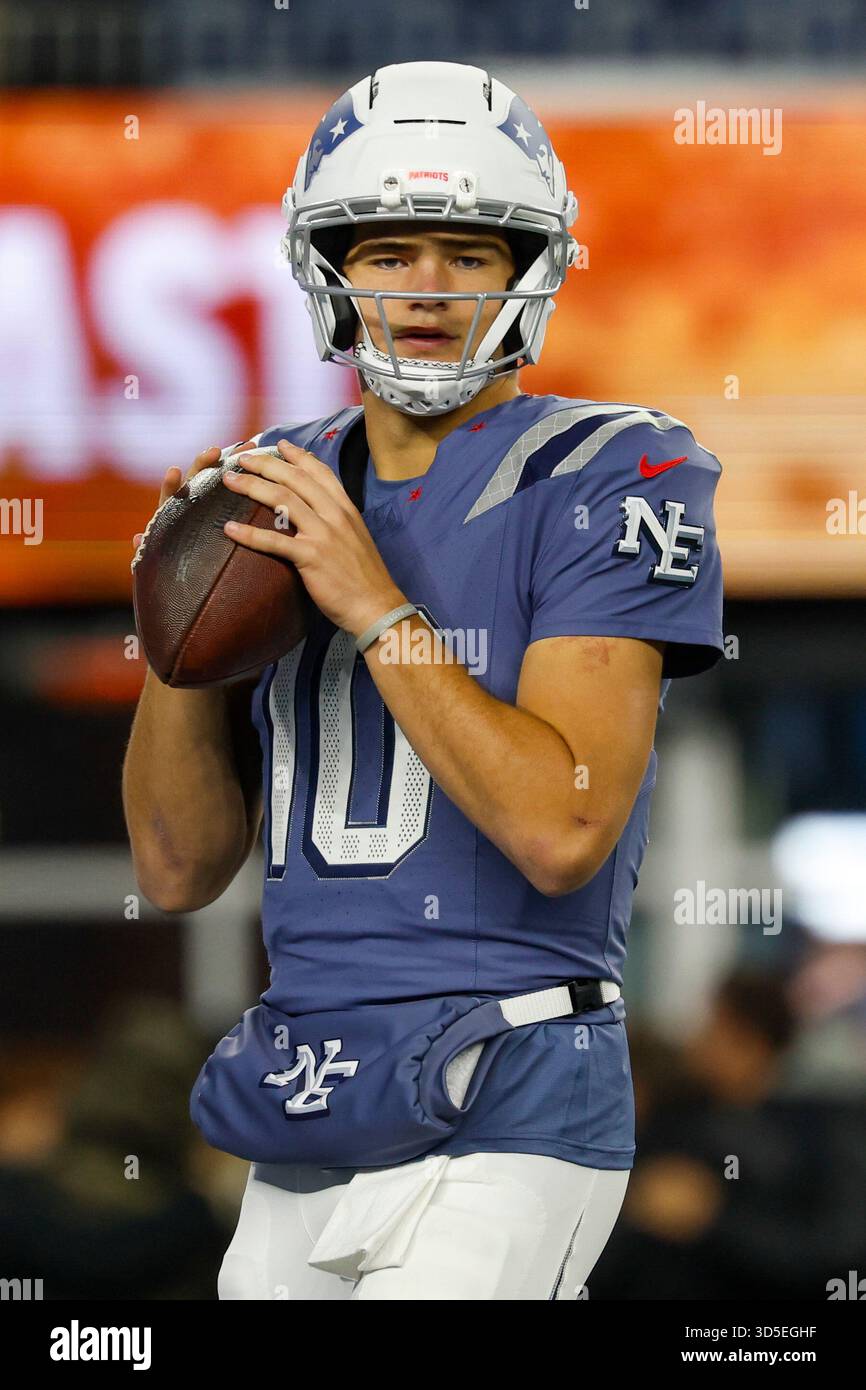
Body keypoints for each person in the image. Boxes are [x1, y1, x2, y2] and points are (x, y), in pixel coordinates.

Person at [123, 60, 724, 1300]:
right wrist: (180, 641)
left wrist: (373, 603)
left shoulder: (616, 470)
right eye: (388, 251)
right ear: (327, 266)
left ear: (527, 270)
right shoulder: (273, 477)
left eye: (468, 252)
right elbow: (176, 872)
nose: (426, 291)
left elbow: (559, 830)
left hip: (505, 1084)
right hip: (309, 1089)